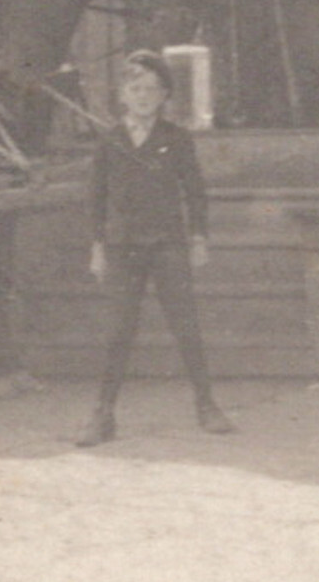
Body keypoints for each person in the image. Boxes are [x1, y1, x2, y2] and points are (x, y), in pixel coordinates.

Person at [77, 50, 233, 447]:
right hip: (122, 247)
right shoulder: (109, 140)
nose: (144, 96)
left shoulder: (176, 139)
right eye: (135, 88)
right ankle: (102, 415)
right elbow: (95, 199)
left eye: (152, 89)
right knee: (117, 333)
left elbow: (195, 192)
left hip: (167, 245)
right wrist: (97, 247)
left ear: (165, 95)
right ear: (122, 95)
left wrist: (198, 238)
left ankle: (207, 405)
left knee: (186, 326)